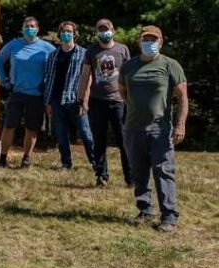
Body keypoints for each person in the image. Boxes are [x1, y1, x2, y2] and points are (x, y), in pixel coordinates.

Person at [119, 25, 188, 233]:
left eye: (153, 39)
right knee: (138, 171)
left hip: (160, 129)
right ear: (139, 42)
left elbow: (182, 97)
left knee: (164, 170)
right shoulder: (128, 66)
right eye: (145, 38)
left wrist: (180, 124)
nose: (149, 42)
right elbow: (122, 92)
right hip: (133, 128)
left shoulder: (169, 65)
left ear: (161, 42)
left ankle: (169, 215)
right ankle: (145, 210)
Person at [0, 16, 54, 168]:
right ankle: (2, 158)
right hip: (17, 92)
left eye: (33, 26)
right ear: (22, 29)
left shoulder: (46, 47)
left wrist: (49, 85)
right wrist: (3, 80)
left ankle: (26, 158)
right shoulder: (14, 45)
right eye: (27, 26)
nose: (30, 29)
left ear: (38, 29)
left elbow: (58, 64)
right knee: (9, 126)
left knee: (32, 128)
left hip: (37, 95)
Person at [78, 18, 131, 187]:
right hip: (97, 101)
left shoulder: (122, 49)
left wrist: (131, 99)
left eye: (106, 29)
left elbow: (129, 76)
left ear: (113, 30)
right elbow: (85, 76)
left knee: (124, 141)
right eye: (100, 29)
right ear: (96, 32)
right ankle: (101, 176)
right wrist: (81, 99)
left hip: (119, 102)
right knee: (99, 141)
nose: (104, 32)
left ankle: (130, 178)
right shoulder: (91, 51)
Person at [43, 21, 95, 174]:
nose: (66, 34)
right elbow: (49, 78)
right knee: (61, 134)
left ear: (75, 34)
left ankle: (95, 162)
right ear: (60, 34)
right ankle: (66, 163)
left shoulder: (84, 54)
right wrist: (48, 102)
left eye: (69, 31)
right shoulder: (53, 55)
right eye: (64, 31)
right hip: (57, 100)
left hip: (75, 100)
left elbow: (89, 77)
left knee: (86, 133)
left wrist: (84, 100)